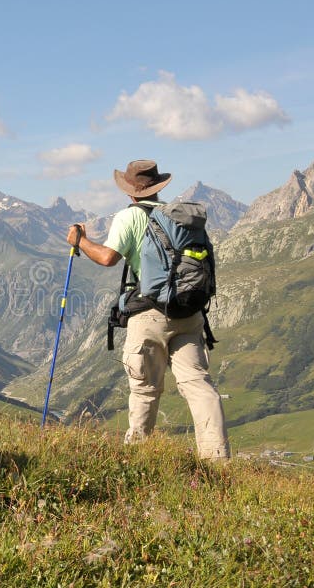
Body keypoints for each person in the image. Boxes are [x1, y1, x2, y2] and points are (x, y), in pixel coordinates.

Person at [67, 160, 230, 460]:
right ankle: (218, 459)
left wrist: (81, 240)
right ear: (157, 188)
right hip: (189, 313)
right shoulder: (176, 217)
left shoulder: (129, 218)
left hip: (150, 314)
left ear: (130, 192)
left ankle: (137, 460)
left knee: (145, 391)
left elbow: (107, 258)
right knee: (199, 385)